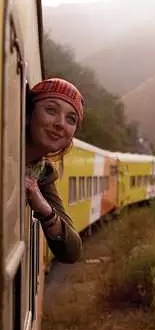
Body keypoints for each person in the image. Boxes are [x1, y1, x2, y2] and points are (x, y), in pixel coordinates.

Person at [25, 78, 84, 263]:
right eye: (51, 110)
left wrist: (44, 208)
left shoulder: (42, 173)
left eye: (71, 119)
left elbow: (72, 252)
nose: (60, 124)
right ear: (29, 113)